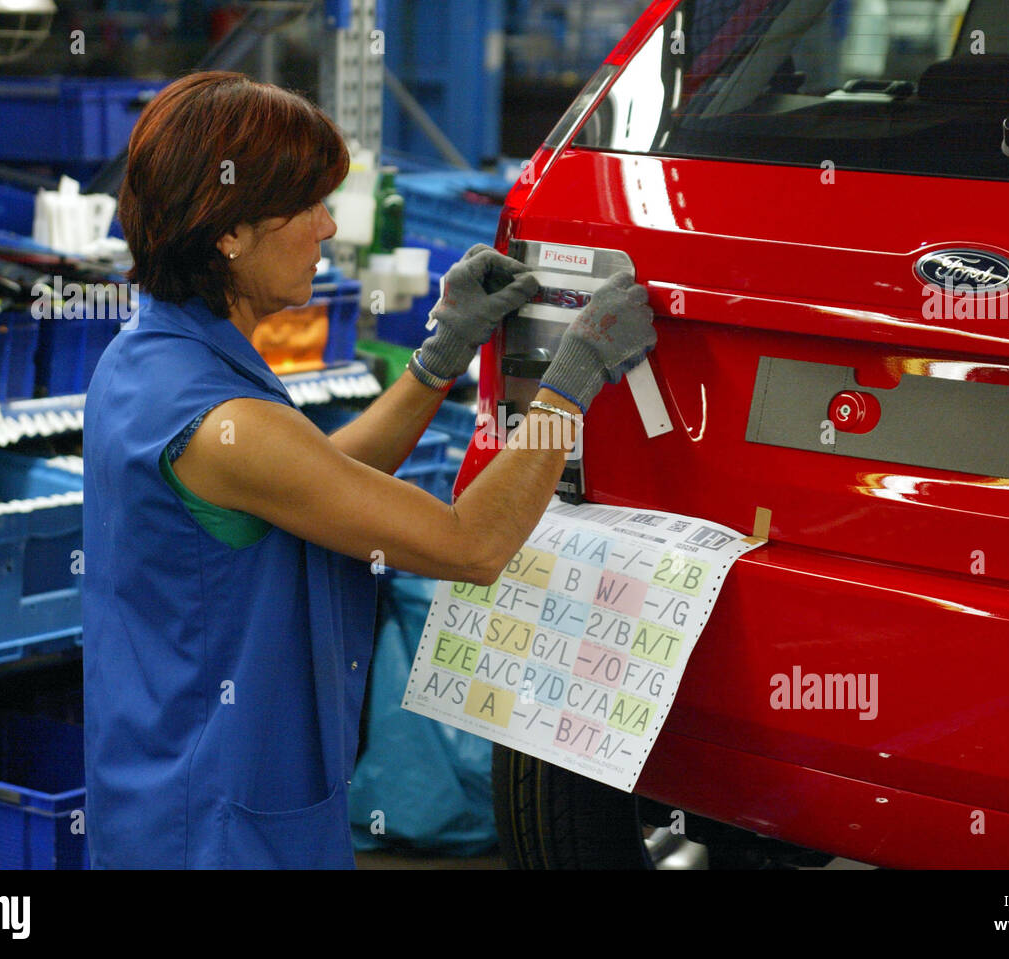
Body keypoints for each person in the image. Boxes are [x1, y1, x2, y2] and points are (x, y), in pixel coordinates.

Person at [81, 70, 657, 868]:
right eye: (308, 205)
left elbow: (315, 482)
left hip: (166, 780)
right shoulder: (222, 422)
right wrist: (569, 380)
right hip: (217, 822)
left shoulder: (149, 357)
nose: (327, 228)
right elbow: (470, 545)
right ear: (229, 232)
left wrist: (440, 354)